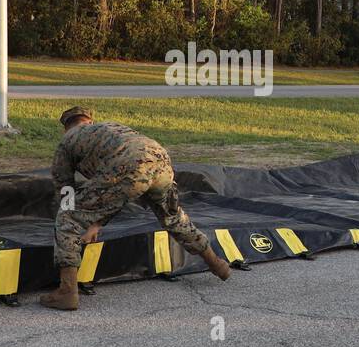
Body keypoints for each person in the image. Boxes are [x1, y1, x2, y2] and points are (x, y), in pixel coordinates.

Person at [43, 106, 230, 310]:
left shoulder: (67, 141)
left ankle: (67, 292)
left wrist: (82, 220)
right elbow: (114, 192)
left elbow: (66, 190)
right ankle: (217, 264)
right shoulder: (111, 128)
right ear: (89, 121)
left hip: (128, 164)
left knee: (67, 217)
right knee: (174, 218)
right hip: (160, 159)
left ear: (66, 127)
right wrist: (96, 222)